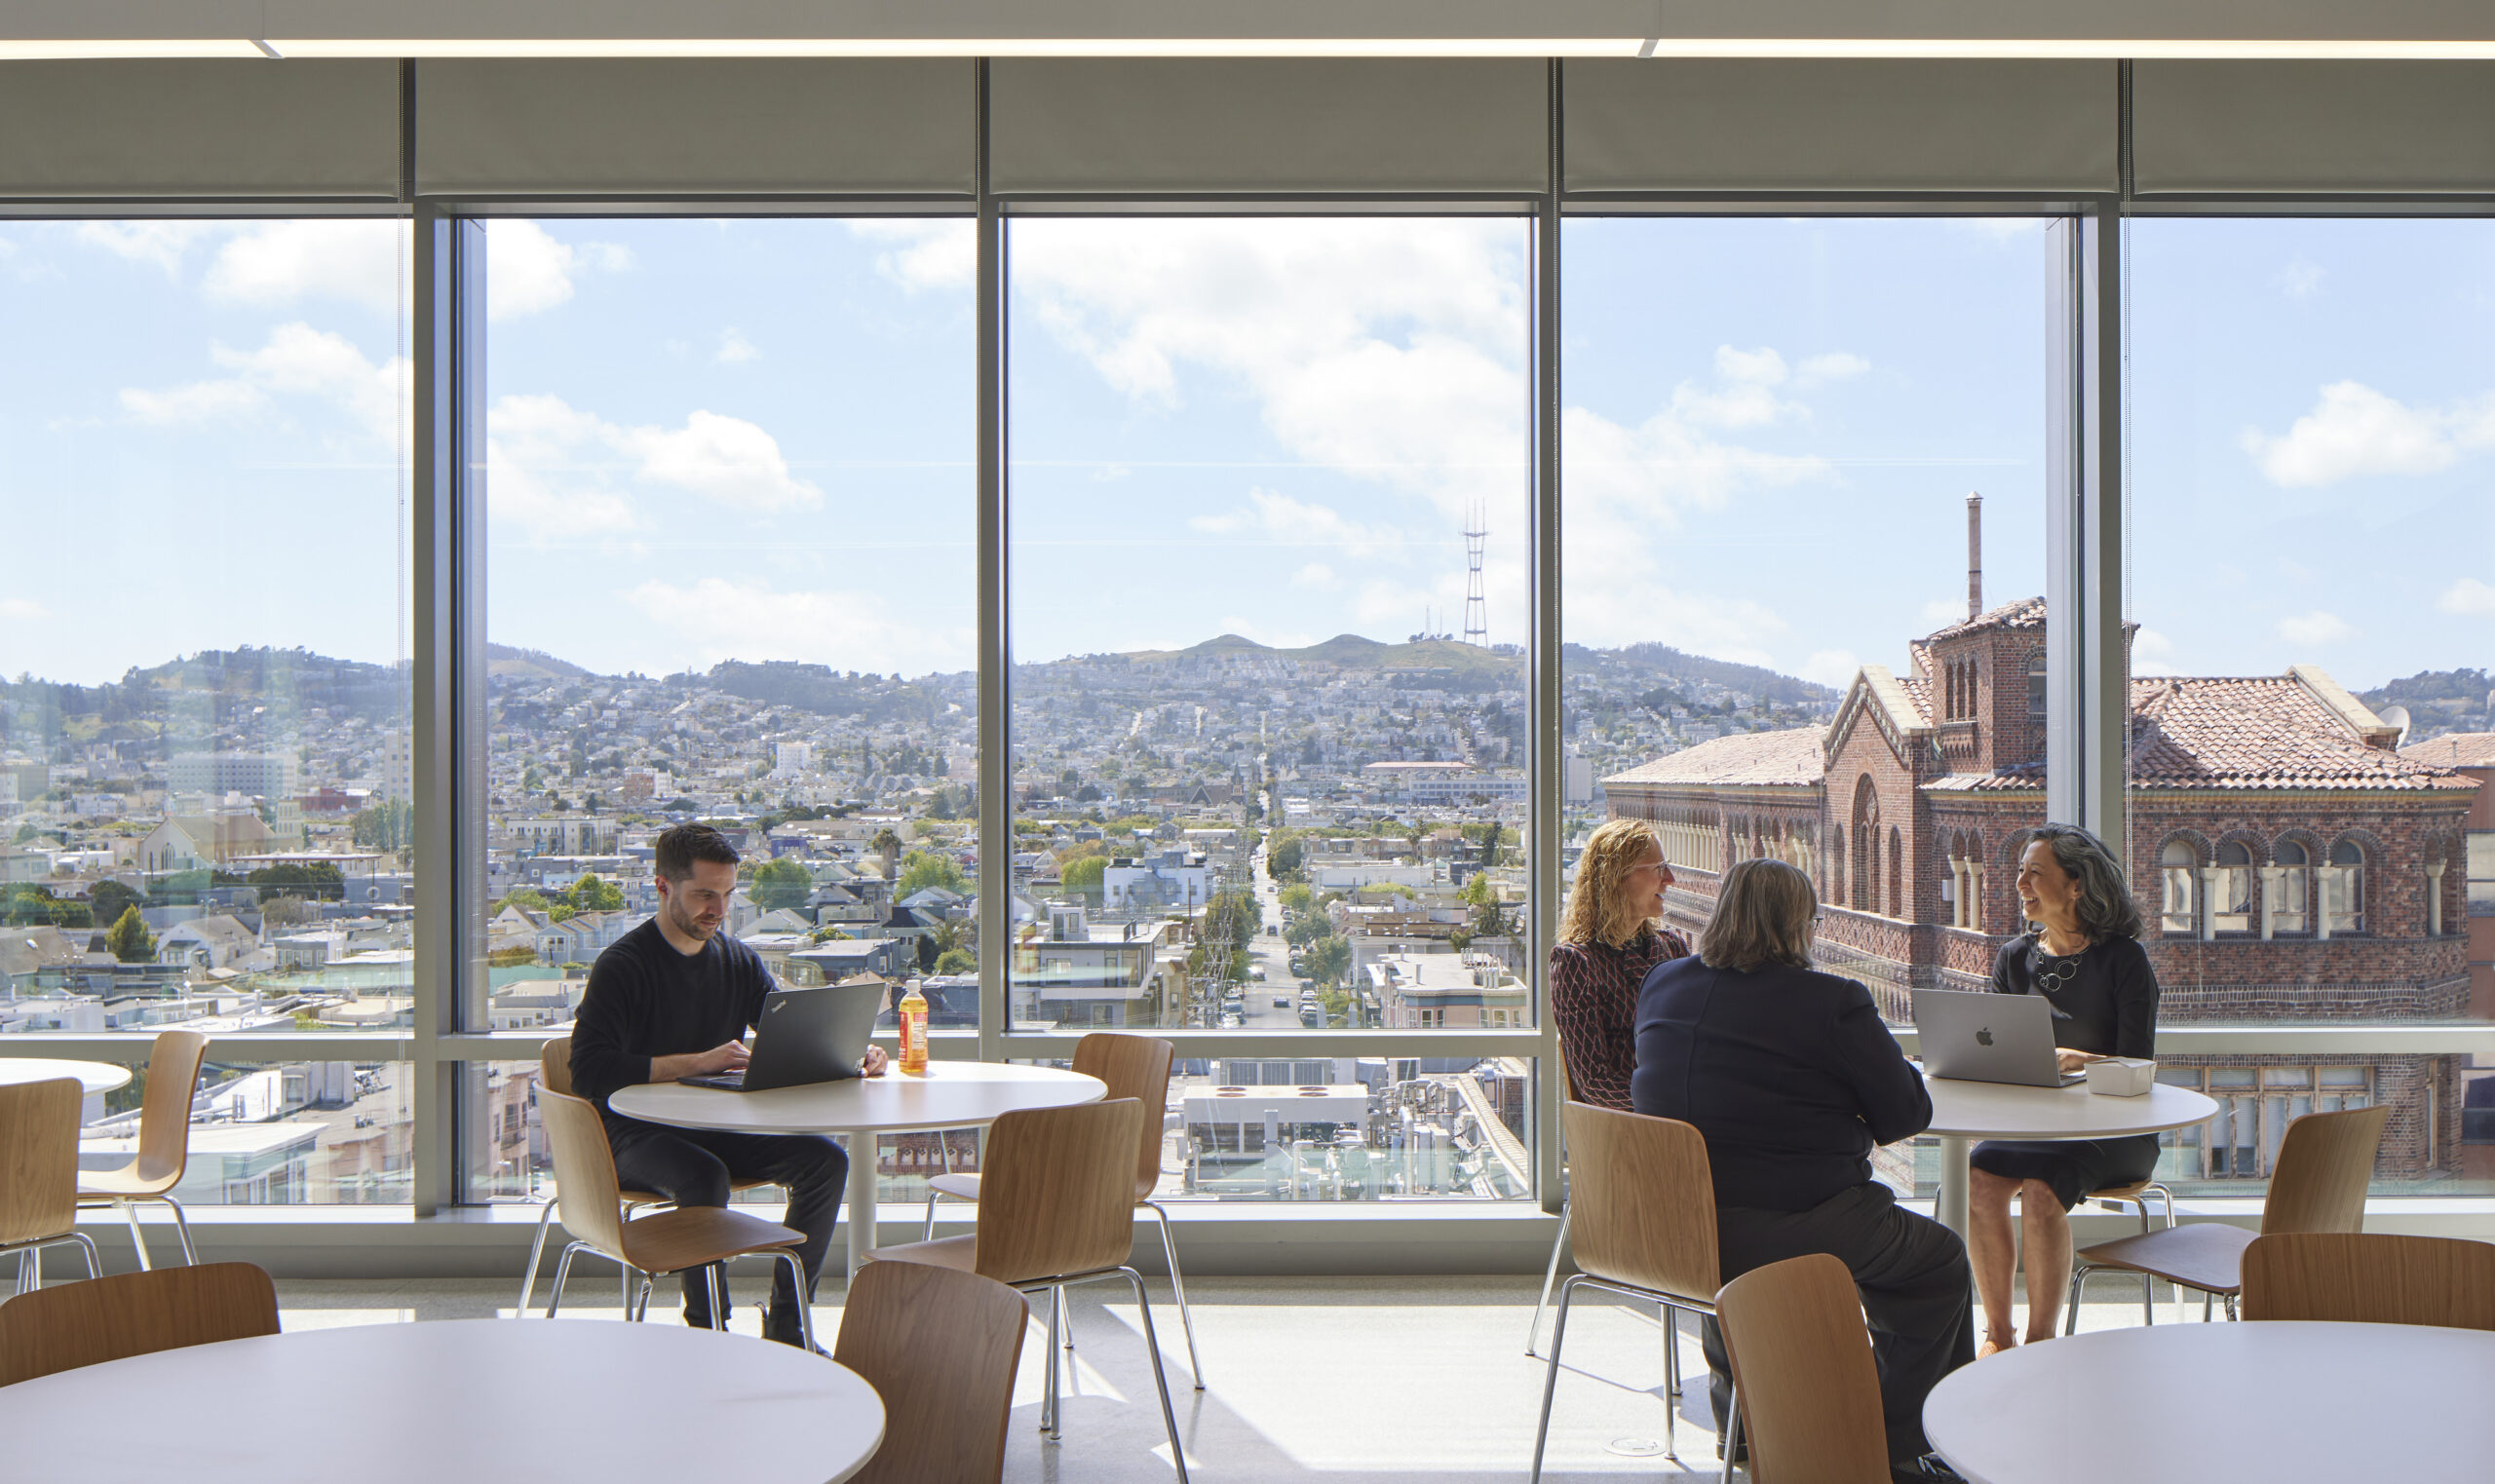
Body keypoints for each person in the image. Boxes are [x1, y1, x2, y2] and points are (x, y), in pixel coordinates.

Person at [1633, 857, 1971, 1484]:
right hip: (1800, 1222)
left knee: (1726, 1232)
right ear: (1797, 925)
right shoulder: (1832, 1002)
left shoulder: (1663, 984)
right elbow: (1905, 1114)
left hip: (1677, 1228)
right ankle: (1893, 1448)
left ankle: (1742, 1433)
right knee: (1937, 1263)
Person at [570, 822, 888, 1347]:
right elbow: (588, 1071)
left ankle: (788, 1326)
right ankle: (709, 1333)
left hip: (713, 1125)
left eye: (726, 895)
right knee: (704, 1176)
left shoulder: (737, 960)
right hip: (628, 1133)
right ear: (663, 886)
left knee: (826, 1161)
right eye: (703, 895)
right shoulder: (623, 966)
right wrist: (695, 1063)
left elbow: (791, 1034)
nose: (717, 910)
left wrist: (854, 1053)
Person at [1967, 822, 2159, 1357]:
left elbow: (2138, 1064)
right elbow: (1997, 1053)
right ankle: (1998, 1336)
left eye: (2035, 873)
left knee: (2041, 1188)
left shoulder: (2124, 961)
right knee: (1978, 1177)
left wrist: (2081, 1059)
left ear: (2077, 884)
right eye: (2020, 872)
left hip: (2115, 1130)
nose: (2020, 883)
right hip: (2037, 1126)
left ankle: (2041, 1342)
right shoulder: (2014, 959)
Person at [1549, 818, 1690, 1109]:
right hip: (1629, 1125)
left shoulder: (1673, 947)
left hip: (1687, 1113)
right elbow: (1595, 1082)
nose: (1670, 879)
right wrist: (1674, 1105)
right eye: (1659, 868)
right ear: (1617, 876)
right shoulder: (1576, 962)